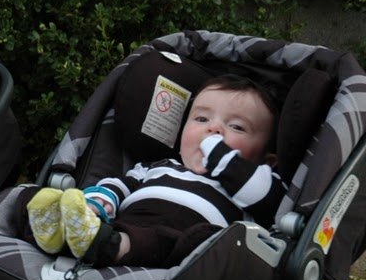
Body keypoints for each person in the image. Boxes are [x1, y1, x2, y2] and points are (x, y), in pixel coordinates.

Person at [27, 75, 286, 267]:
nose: (214, 130)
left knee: (199, 241)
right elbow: (119, 186)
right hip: (122, 224)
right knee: (25, 197)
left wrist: (226, 161)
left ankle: (108, 245)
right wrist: (98, 202)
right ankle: (59, 231)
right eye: (202, 119)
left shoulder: (254, 190)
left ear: (267, 161)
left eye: (237, 127)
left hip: (184, 247)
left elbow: (269, 203)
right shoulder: (158, 167)